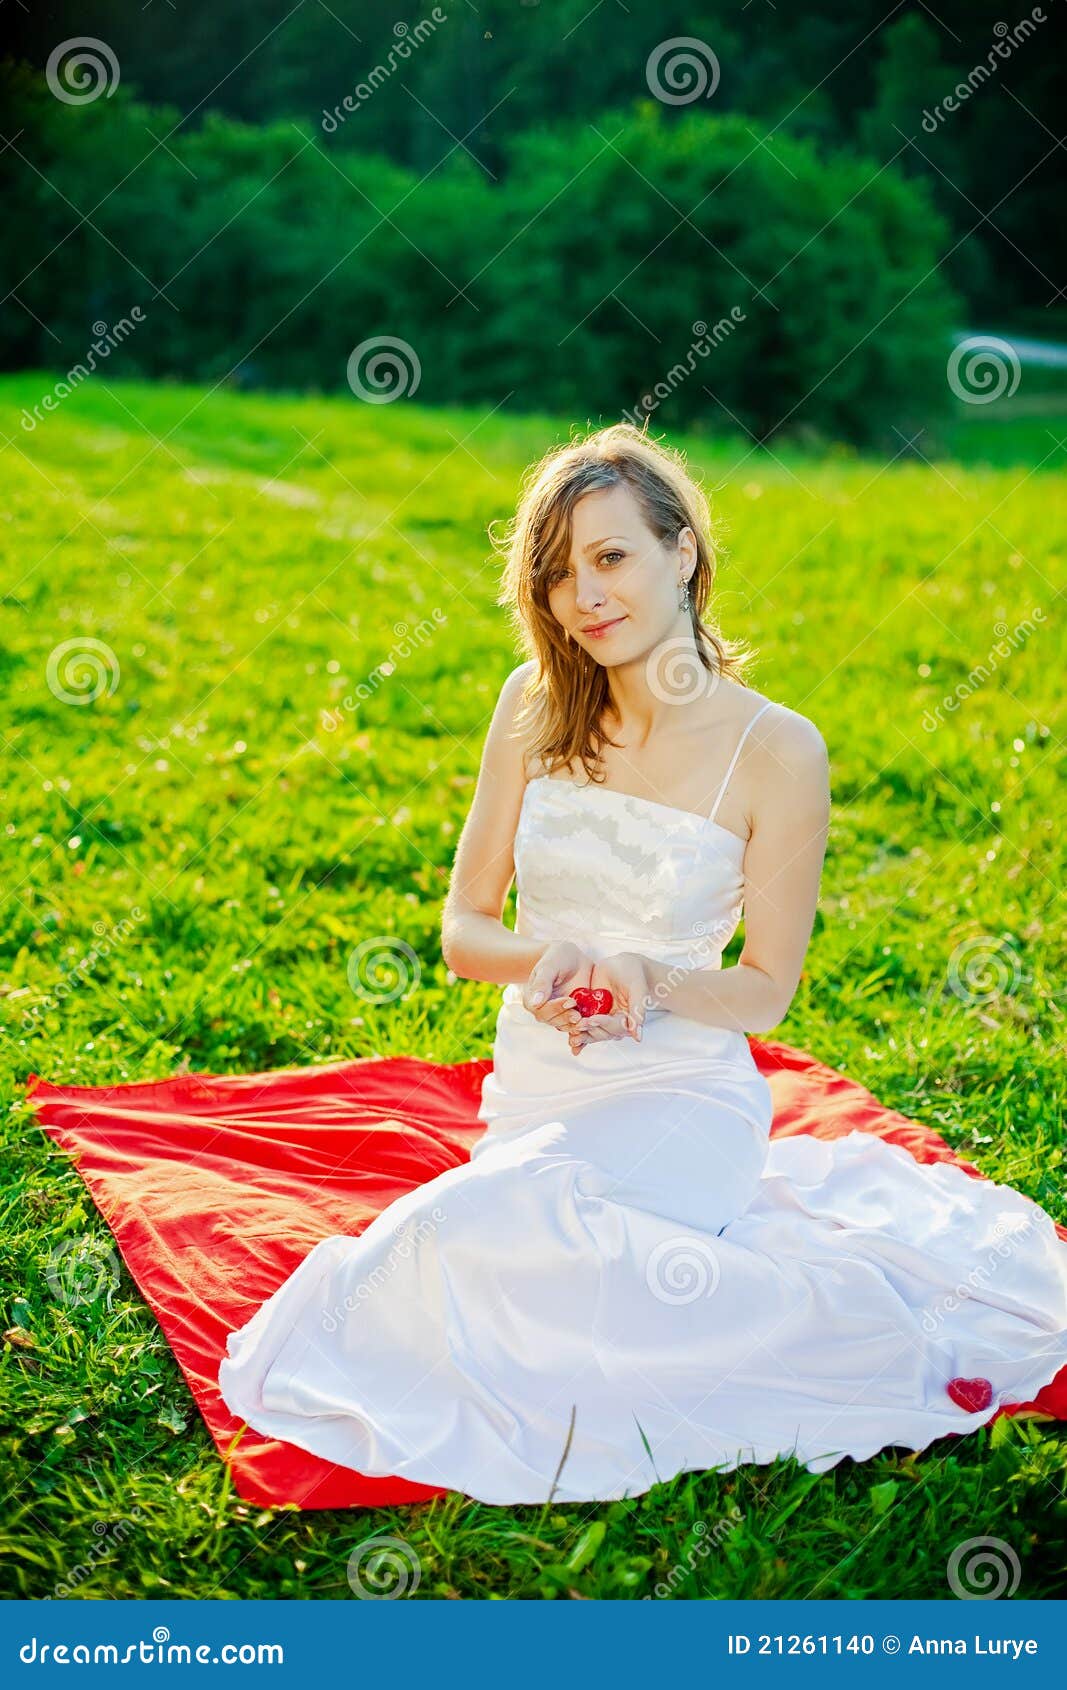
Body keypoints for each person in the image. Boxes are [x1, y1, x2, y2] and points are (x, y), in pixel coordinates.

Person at [217, 424, 1067, 1505]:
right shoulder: (531, 704)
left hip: (681, 1097)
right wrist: (549, 956)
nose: (583, 595)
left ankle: (842, 1336)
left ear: (683, 553)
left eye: (611, 556)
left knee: (488, 1240)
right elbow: (464, 928)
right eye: (556, 572)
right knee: (476, 1247)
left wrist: (646, 976)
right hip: (538, 1090)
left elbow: (765, 989)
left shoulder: (778, 749)